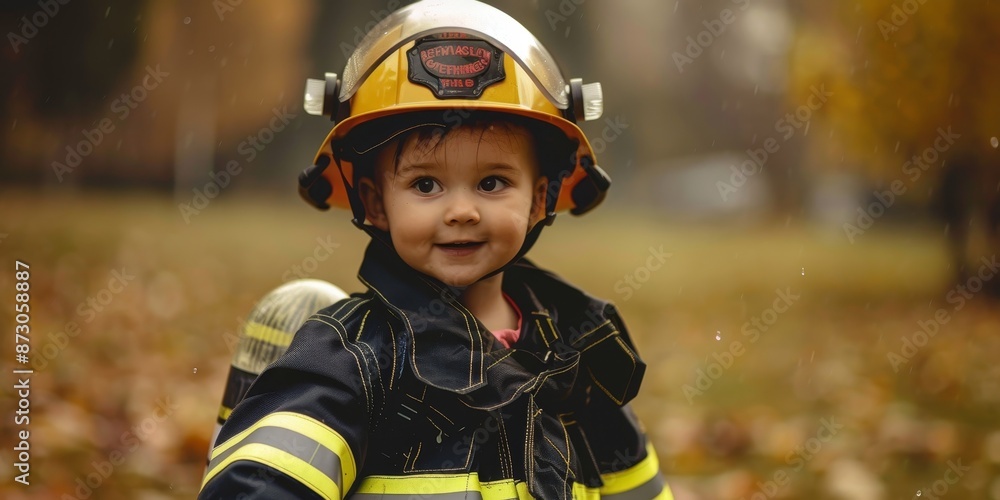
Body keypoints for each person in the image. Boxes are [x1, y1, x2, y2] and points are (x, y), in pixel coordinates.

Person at [199, 1, 672, 498]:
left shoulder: (581, 352)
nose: (461, 211)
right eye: (426, 185)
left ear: (541, 197)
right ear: (373, 202)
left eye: (492, 182)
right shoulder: (348, 359)